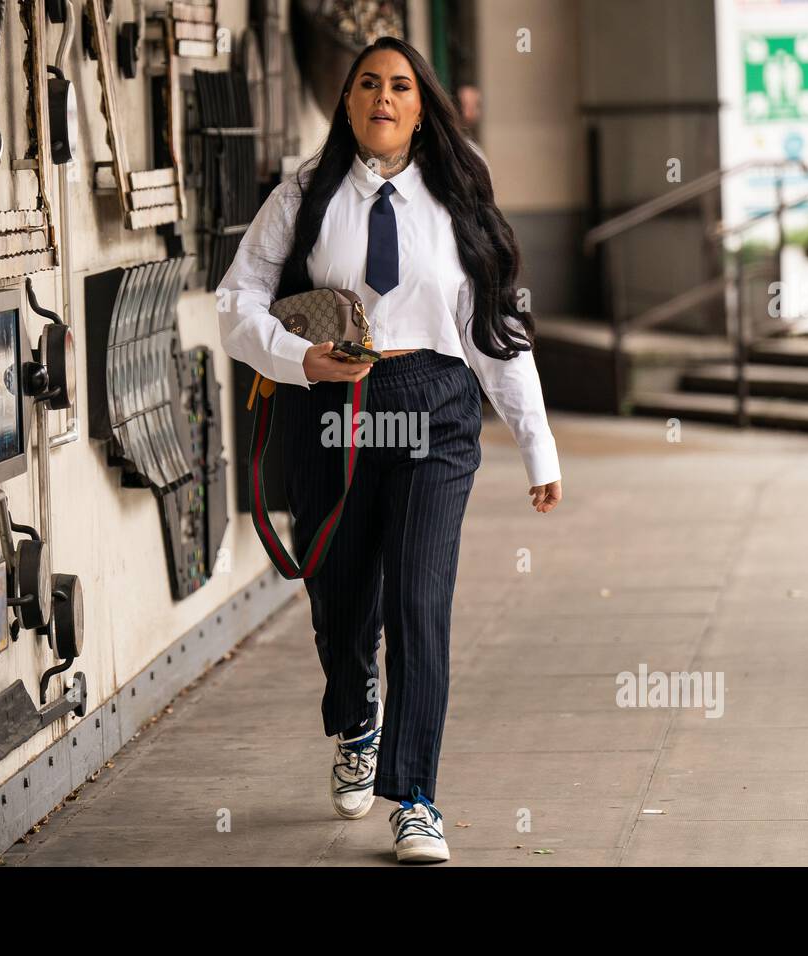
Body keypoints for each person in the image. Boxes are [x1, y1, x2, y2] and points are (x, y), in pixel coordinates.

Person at [218, 35, 562, 864]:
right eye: (367, 83)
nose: (382, 97)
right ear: (346, 102)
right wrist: (300, 358)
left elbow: (496, 326)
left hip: (433, 413)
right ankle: (357, 720)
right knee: (342, 605)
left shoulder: (456, 194)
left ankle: (416, 799)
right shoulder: (302, 195)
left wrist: (536, 444)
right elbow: (236, 302)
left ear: (420, 105)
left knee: (417, 600)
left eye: (400, 87)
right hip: (332, 412)